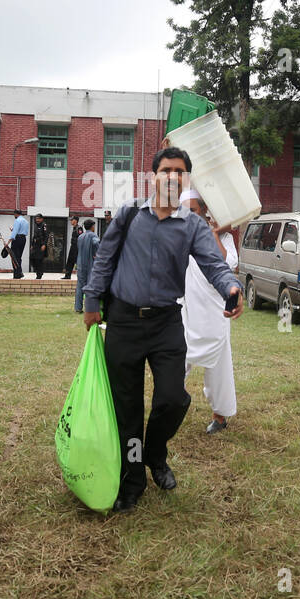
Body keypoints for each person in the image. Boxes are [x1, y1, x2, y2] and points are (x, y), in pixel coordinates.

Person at [81, 147, 242, 514]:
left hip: (167, 322)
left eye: (179, 172)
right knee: (128, 408)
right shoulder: (128, 215)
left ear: (185, 181)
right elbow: (104, 258)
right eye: (165, 170)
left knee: (172, 398)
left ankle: (155, 453)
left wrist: (231, 288)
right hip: (123, 322)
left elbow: (215, 265)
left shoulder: (193, 225)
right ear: (152, 176)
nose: (172, 176)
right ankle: (133, 479)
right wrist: (92, 302)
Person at [180, 192, 240, 432]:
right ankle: (168, 408)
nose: (188, 216)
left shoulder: (223, 237)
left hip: (215, 312)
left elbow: (227, 265)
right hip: (186, 309)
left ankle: (220, 415)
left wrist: (214, 233)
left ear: (204, 211)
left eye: (193, 211)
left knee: (219, 365)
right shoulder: (178, 236)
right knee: (176, 362)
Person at [73, 218, 99, 313]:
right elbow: (96, 244)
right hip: (90, 264)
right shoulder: (93, 235)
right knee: (90, 286)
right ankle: (90, 308)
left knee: (80, 286)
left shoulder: (80, 237)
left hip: (80, 264)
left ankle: (78, 308)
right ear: (92, 227)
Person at [9, 209, 29, 279]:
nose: (14, 216)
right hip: (23, 239)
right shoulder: (26, 221)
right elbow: (23, 230)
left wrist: (10, 239)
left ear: (16, 214)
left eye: (14, 214)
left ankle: (17, 274)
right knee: (19, 256)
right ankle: (20, 272)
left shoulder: (17, 220)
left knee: (14, 256)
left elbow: (15, 232)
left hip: (17, 239)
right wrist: (14, 230)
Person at [31, 213, 50, 280]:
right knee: (33, 258)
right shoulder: (36, 225)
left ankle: (39, 274)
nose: (37, 220)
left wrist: (44, 244)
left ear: (42, 219)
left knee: (39, 260)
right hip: (36, 245)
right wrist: (32, 245)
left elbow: (46, 235)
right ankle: (38, 272)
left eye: (39, 219)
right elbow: (34, 236)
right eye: (36, 219)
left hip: (41, 245)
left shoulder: (44, 225)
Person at [62, 215, 81, 280]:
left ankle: (81, 276)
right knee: (70, 261)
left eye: (72, 220)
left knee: (78, 262)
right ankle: (67, 275)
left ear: (75, 221)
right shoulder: (74, 227)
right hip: (73, 247)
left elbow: (80, 238)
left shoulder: (79, 228)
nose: (71, 221)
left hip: (77, 248)